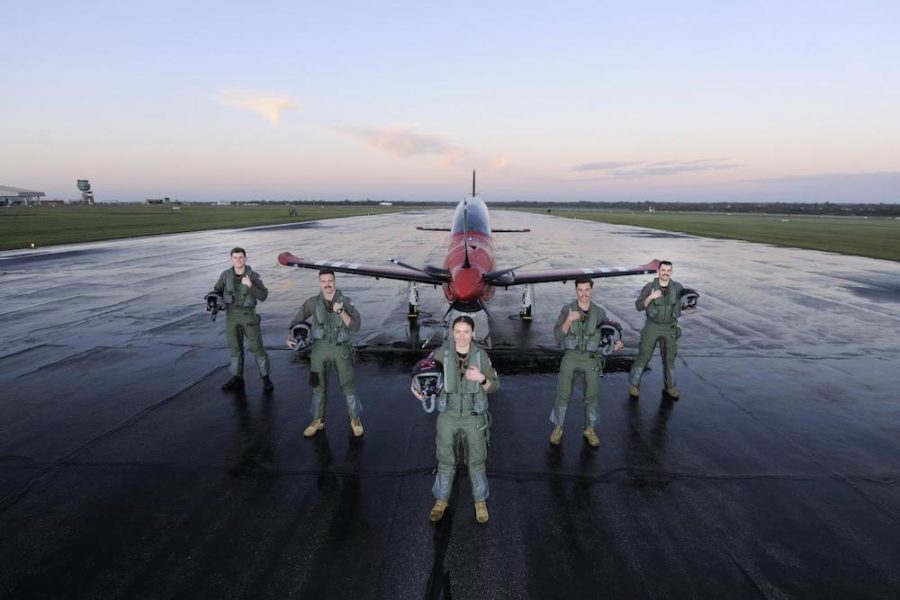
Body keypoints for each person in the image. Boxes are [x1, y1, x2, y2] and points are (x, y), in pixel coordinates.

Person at [411, 316, 500, 524]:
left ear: (473, 333)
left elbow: (495, 385)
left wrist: (482, 379)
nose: (461, 336)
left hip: (473, 416)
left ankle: (480, 501)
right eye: (458, 331)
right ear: (452, 332)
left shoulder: (481, 356)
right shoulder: (441, 353)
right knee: (445, 460)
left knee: (477, 460)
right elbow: (422, 371)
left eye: (466, 332)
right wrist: (417, 389)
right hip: (448, 415)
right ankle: (441, 500)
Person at [287, 270, 363, 438]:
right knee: (317, 384)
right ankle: (317, 420)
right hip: (318, 350)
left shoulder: (346, 302)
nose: (327, 284)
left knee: (348, 384)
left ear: (334, 282)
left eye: (330, 281)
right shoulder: (312, 303)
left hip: (340, 349)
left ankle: (355, 419)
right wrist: (290, 336)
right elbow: (296, 321)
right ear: (319, 283)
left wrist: (342, 312)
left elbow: (356, 326)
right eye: (323, 281)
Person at [549, 278, 623, 448]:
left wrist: (619, 343)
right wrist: (569, 320)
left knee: (592, 395)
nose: (584, 294)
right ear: (576, 291)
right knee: (563, 393)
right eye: (580, 290)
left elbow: (609, 333)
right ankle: (558, 427)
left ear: (591, 290)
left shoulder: (600, 313)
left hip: (591, 358)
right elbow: (558, 336)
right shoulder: (567, 309)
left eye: (587, 290)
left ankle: (589, 429)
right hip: (571, 356)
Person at [211, 247, 274, 393]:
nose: (238, 260)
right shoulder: (225, 275)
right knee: (235, 349)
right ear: (231, 259)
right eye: (235, 257)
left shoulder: (253, 276)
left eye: (241, 257)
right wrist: (212, 302)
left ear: (245, 258)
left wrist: (250, 286)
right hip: (231, 316)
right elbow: (216, 291)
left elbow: (263, 296)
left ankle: (266, 378)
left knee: (257, 348)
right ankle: (237, 378)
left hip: (248, 316)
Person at [628, 260, 686, 399]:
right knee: (644, 356)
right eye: (663, 270)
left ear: (671, 272)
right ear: (658, 271)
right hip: (652, 326)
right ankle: (634, 385)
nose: (666, 273)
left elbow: (684, 303)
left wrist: (687, 309)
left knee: (669, 358)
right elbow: (639, 306)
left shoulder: (678, 287)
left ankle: (670, 387)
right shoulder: (649, 287)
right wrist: (650, 297)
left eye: (668, 270)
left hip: (670, 327)